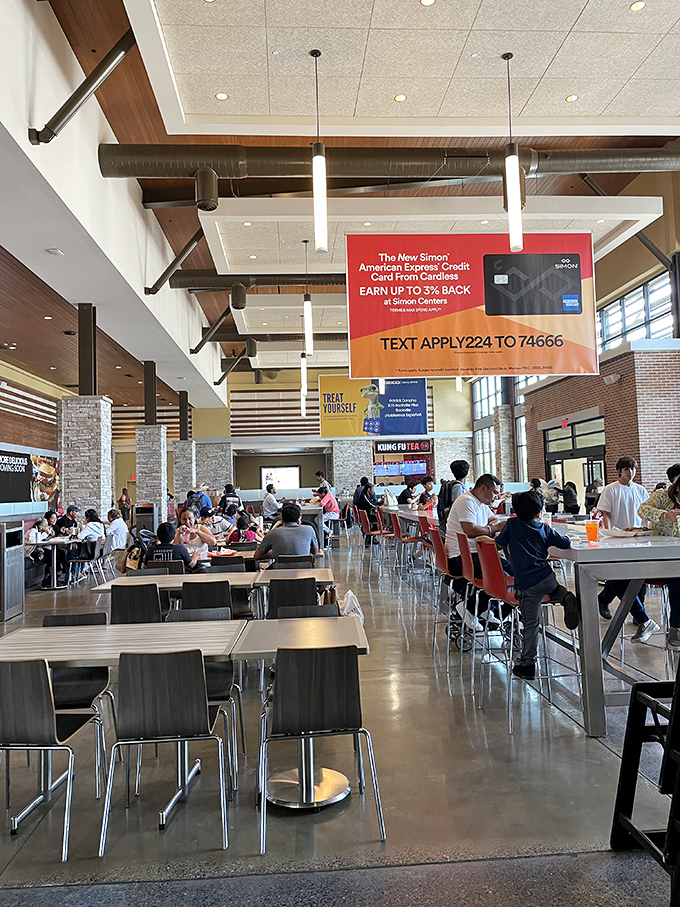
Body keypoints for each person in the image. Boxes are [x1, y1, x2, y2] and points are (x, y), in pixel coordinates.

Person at [496, 491, 580, 679]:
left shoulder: (511, 525)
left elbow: (498, 545)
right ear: (539, 512)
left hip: (527, 584)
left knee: (531, 624)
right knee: (553, 588)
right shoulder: (544, 528)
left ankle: (527, 664)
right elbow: (565, 543)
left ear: (515, 511)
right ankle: (565, 596)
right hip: (546, 576)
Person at [596, 455, 659, 642]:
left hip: (638, 537)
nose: (630, 472)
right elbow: (606, 513)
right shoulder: (610, 490)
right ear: (619, 471)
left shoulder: (640, 490)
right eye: (626, 469)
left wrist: (647, 531)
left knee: (639, 575)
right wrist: (608, 534)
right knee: (619, 575)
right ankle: (606, 600)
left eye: (633, 469)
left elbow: (645, 513)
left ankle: (637, 612)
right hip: (618, 537)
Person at [445, 474, 509, 629]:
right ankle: (468, 609)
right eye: (494, 492)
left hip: (475, 555)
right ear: (483, 488)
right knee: (503, 576)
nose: (496, 497)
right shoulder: (466, 501)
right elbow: (470, 530)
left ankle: (482, 608)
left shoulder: (480, 503)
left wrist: (490, 528)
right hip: (460, 559)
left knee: (512, 571)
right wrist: (493, 529)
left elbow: (494, 520)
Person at [638, 472, 680, 648]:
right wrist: (664, 515)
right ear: (677, 488)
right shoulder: (662, 496)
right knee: (677, 577)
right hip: (658, 555)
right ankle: (675, 628)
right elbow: (642, 509)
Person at [254, 502, 319, 560]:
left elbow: (257, 556)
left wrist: (272, 553)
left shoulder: (272, 533)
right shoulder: (309, 530)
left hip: (280, 569)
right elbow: (315, 552)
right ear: (299, 517)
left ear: (282, 519)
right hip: (305, 568)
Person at [106, 509, 129, 573]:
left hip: (119, 543)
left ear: (110, 517)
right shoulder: (120, 520)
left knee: (104, 547)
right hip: (123, 541)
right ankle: (103, 564)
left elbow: (107, 531)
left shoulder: (115, 522)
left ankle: (103, 565)